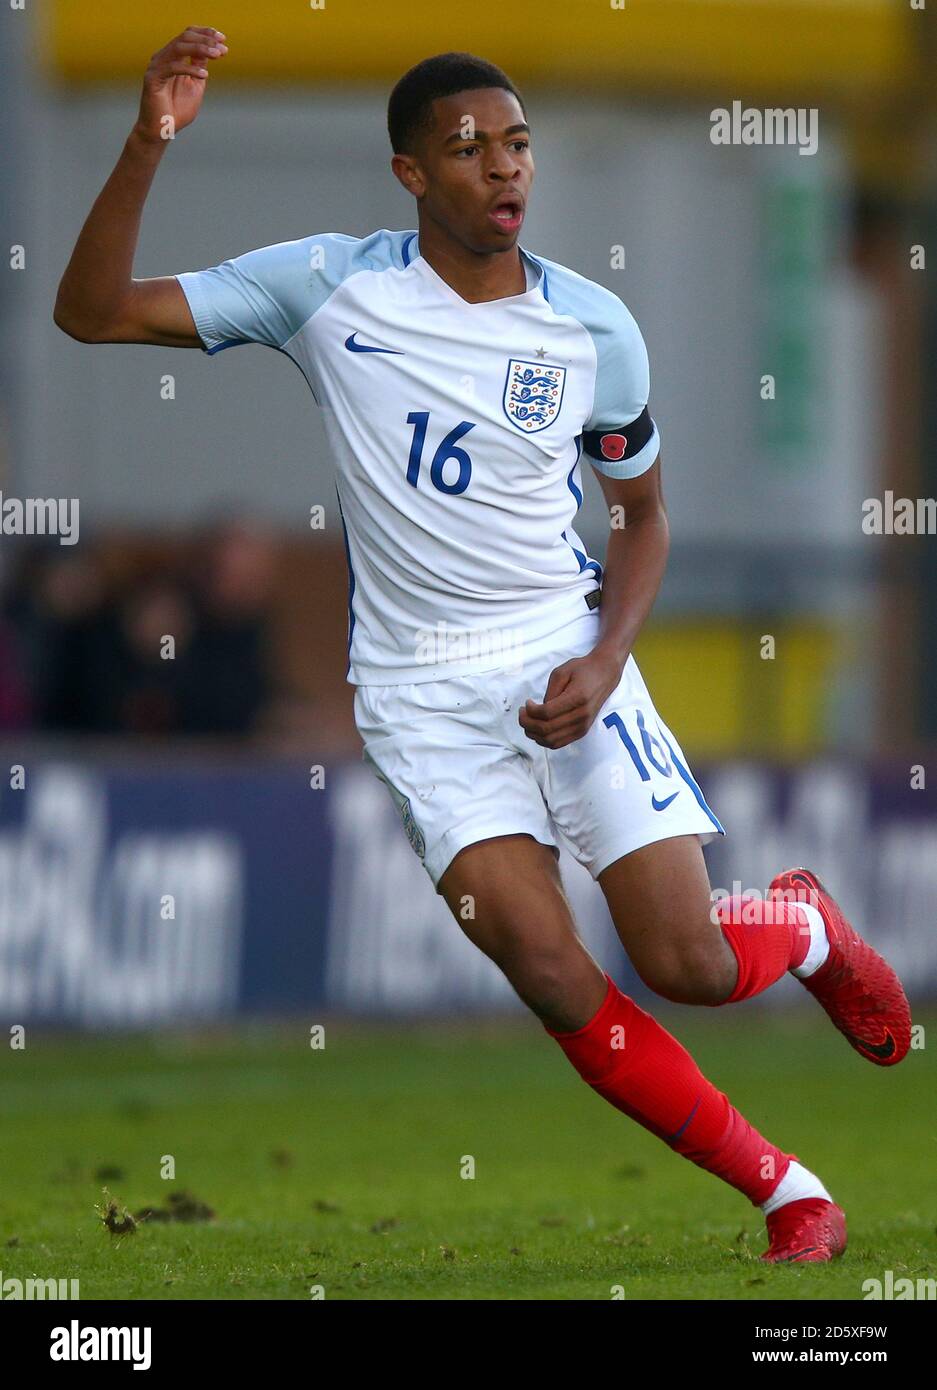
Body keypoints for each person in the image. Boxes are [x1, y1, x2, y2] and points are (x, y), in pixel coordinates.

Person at [53, 30, 911, 1263]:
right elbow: (86, 313)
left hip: (563, 649)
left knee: (689, 962)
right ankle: (788, 1192)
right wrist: (150, 140)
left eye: (516, 145)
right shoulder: (326, 286)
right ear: (409, 174)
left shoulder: (591, 328)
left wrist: (609, 657)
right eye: (468, 150)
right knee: (550, 969)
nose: (502, 170)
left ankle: (807, 929)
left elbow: (644, 516)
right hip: (416, 693)